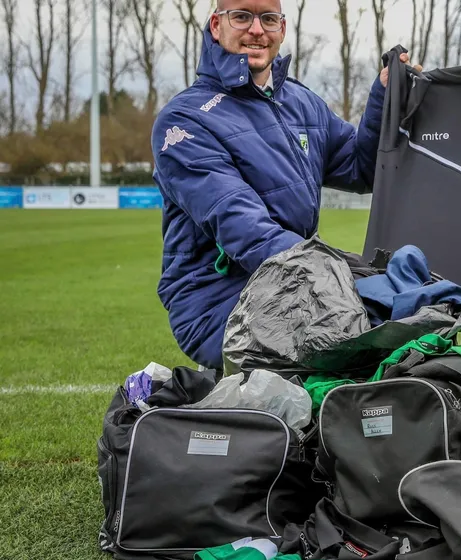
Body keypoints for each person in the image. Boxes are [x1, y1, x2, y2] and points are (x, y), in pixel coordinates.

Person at [151, 0, 418, 370]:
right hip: (218, 301)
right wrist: (334, 274)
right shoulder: (184, 122)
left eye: (268, 18)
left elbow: (362, 168)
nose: (257, 30)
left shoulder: (302, 102)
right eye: (242, 16)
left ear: (282, 28)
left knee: (415, 301)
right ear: (216, 25)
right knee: (374, 327)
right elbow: (245, 229)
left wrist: (384, 100)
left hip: (300, 280)